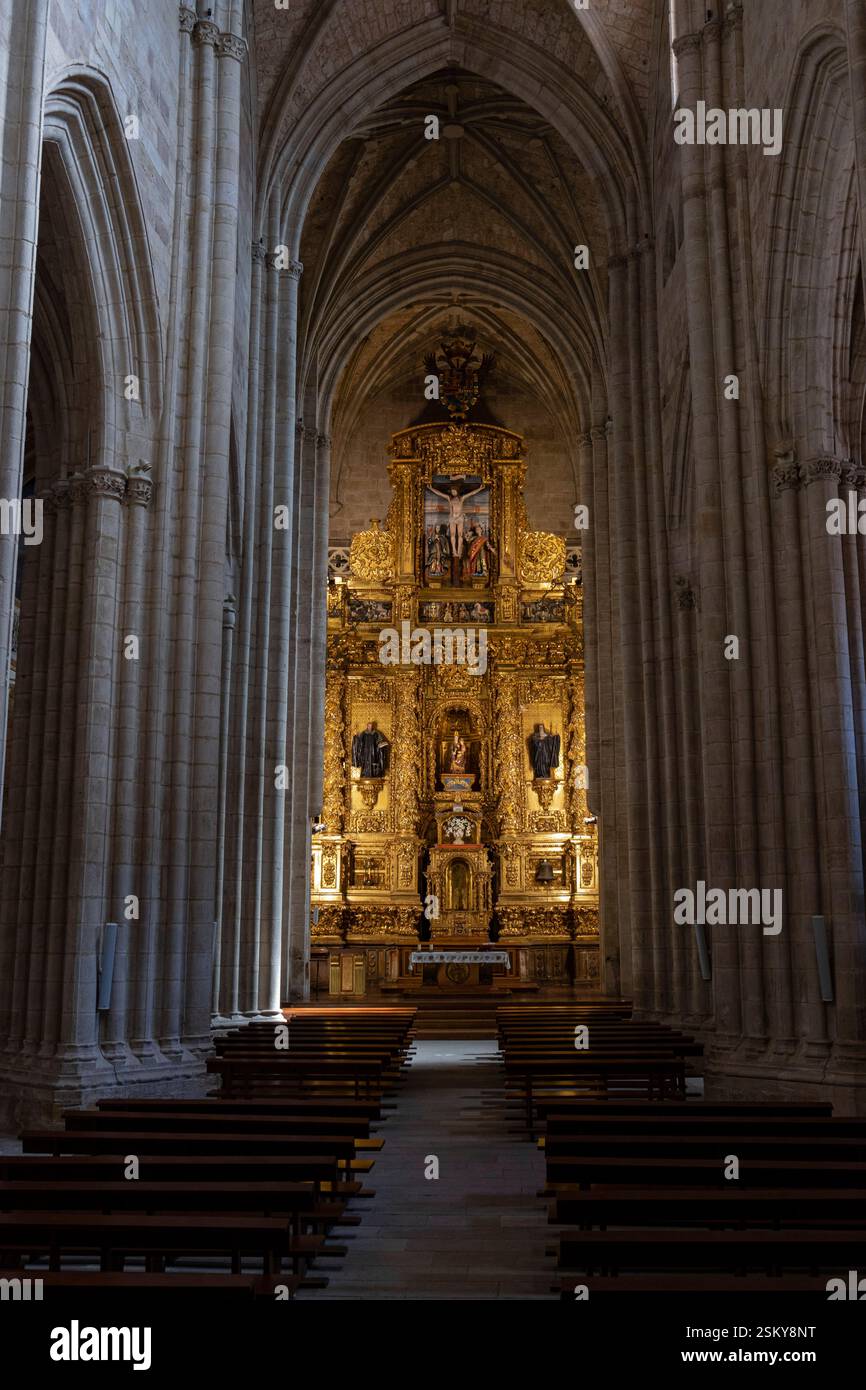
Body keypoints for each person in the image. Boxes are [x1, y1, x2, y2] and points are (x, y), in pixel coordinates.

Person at [428, 476, 485, 560]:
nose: (453, 492)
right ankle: (454, 551)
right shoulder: (449, 498)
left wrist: (480, 488)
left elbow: (471, 493)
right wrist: (431, 489)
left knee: (460, 535)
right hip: (452, 517)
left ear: (457, 491)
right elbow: (439, 494)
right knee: (452, 535)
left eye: (454, 491)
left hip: (460, 518)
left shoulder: (461, 498)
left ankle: (459, 551)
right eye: (452, 491)